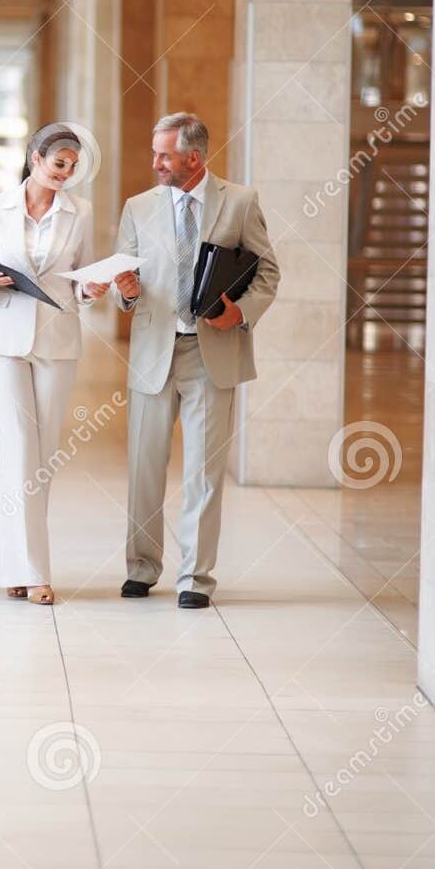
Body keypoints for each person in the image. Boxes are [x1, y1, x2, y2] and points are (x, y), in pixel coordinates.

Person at [113, 111, 280, 609]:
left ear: (193, 156)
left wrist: (241, 314)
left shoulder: (241, 202)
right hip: (153, 351)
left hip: (213, 352)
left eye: (164, 154)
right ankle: (141, 568)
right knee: (145, 467)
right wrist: (125, 293)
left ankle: (195, 579)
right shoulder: (138, 206)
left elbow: (268, 271)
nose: (156, 162)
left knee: (204, 471)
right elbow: (124, 282)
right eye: (154, 153)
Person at [0, 124, 110, 605]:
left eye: (73, 168)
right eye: (59, 164)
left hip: (57, 339)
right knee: (17, 449)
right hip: (7, 338)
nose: (66, 174)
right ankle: (34, 572)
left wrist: (90, 289)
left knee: (42, 455)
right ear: (35, 158)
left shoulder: (81, 212)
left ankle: (15, 564)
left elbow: (82, 275)